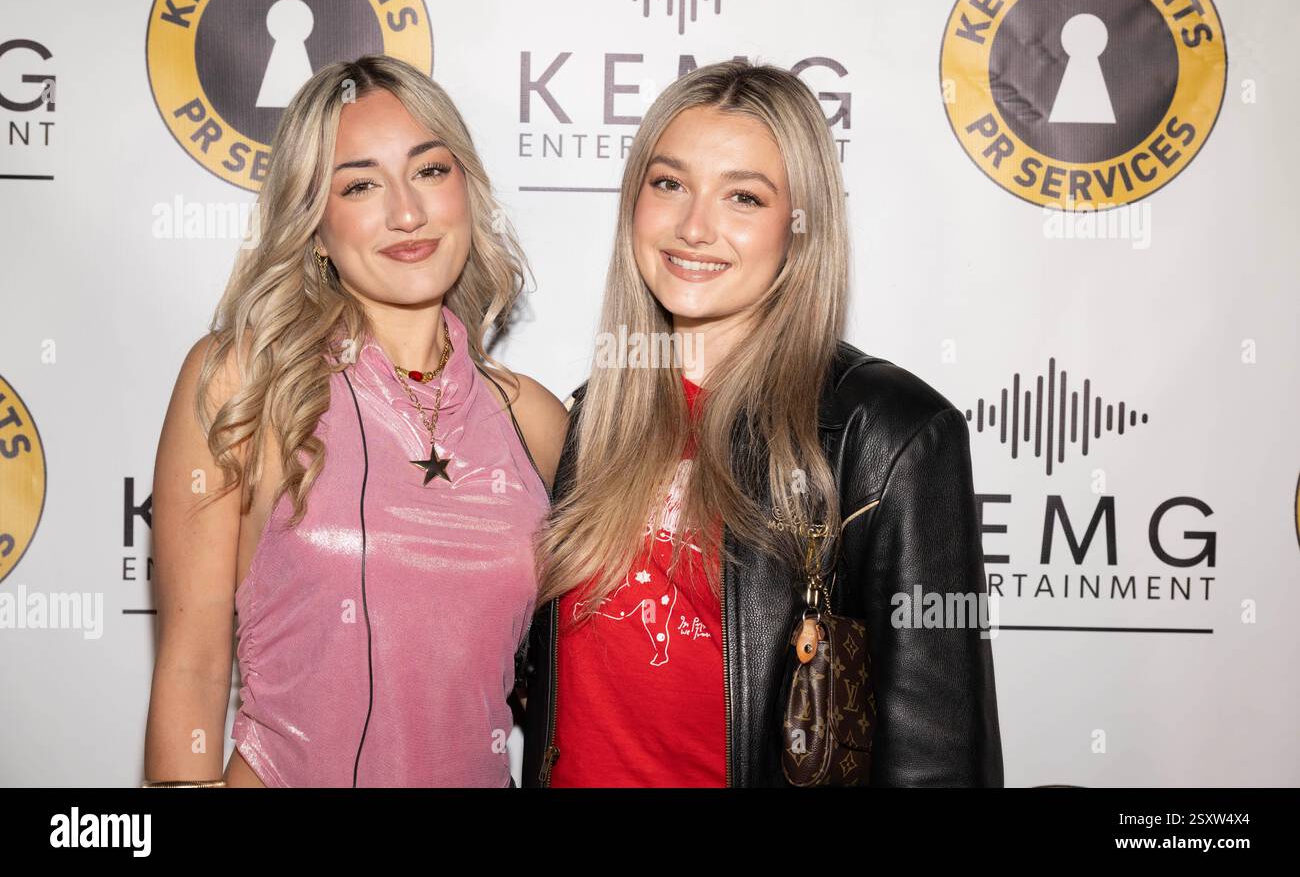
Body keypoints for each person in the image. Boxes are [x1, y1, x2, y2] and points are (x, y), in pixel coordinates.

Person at [521, 60, 1003, 787]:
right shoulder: (596, 418)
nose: (694, 226)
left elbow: (939, 753)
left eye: (743, 197)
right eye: (669, 183)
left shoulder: (886, 435)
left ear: (800, 227)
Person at [143, 54, 567, 788]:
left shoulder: (532, 419)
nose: (407, 213)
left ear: (468, 190)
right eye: (361, 185)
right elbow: (191, 663)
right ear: (312, 224)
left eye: (431, 171)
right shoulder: (246, 383)